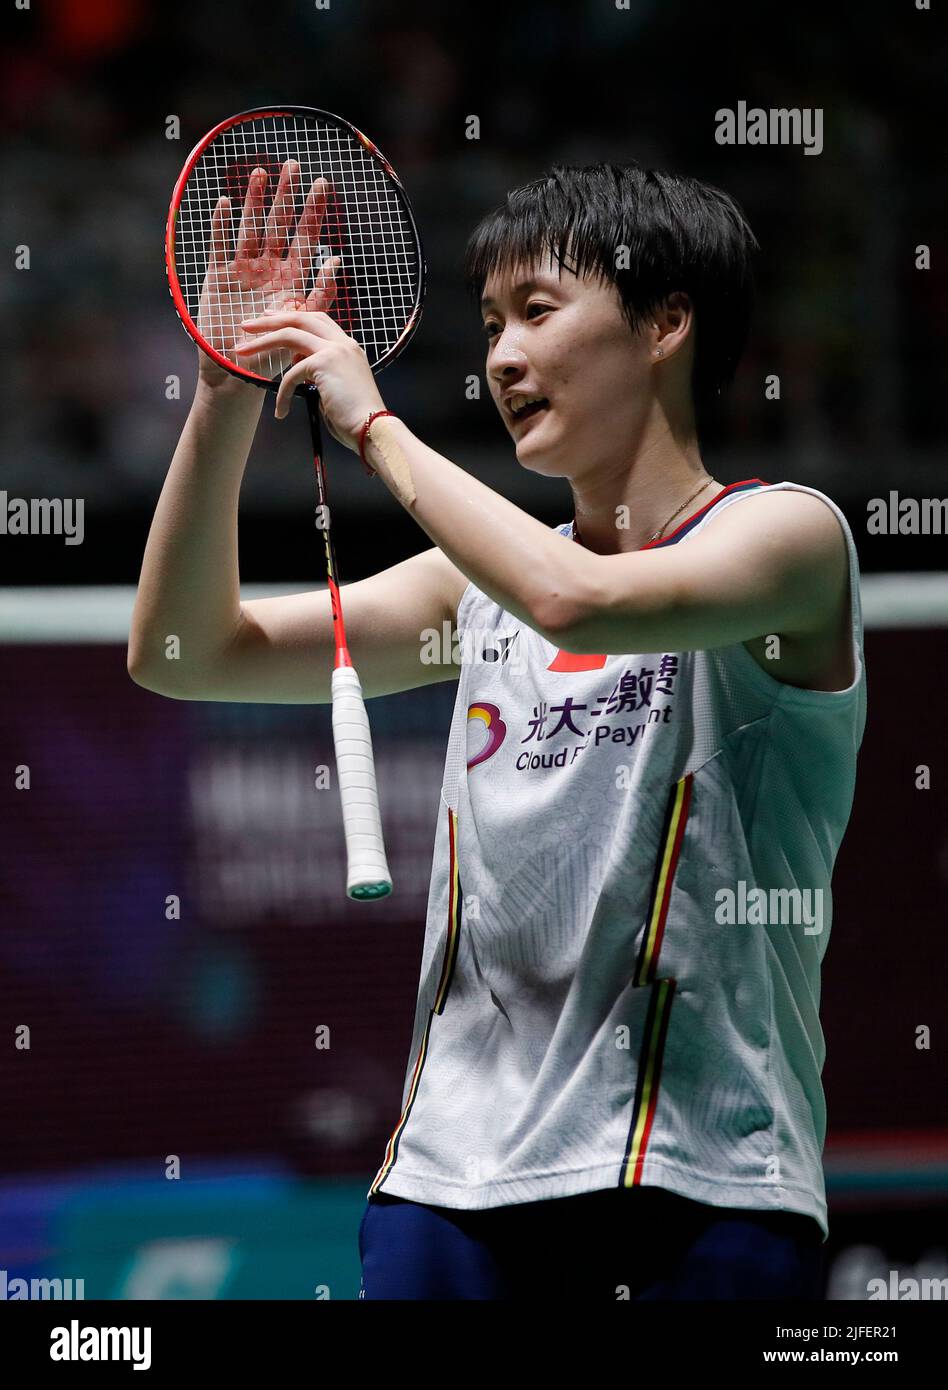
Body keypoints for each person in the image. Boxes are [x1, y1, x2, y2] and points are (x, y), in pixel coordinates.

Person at [129, 160, 866, 1301]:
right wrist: (228, 394)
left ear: (665, 322)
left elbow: (580, 600)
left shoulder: (787, 545)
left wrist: (371, 423)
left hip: (701, 1185)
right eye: (488, 326)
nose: (503, 357)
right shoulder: (469, 593)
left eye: (537, 311)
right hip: (449, 1193)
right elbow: (182, 652)